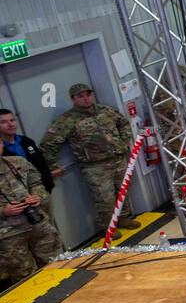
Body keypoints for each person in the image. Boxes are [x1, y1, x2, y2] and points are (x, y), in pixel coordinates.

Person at [39, 83, 140, 234]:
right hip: (95, 166)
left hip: (118, 159)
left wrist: (124, 142)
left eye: (88, 94)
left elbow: (123, 123)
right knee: (104, 198)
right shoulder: (67, 120)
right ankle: (108, 227)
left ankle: (123, 218)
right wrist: (52, 166)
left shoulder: (105, 110)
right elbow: (48, 144)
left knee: (123, 191)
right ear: (73, 99)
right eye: (81, 96)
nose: (86, 99)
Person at [0, 154, 63, 285]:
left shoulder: (18, 162)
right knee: (25, 277)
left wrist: (37, 196)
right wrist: (3, 211)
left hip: (37, 223)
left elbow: (37, 183)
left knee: (56, 265)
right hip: (9, 235)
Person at [0, 108, 54, 193]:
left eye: (12, 120)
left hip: (41, 193)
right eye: (3, 122)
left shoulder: (27, 141)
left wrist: (48, 185)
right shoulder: (1, 149)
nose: (10, 124)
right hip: (17, 199)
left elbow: (42, 164)